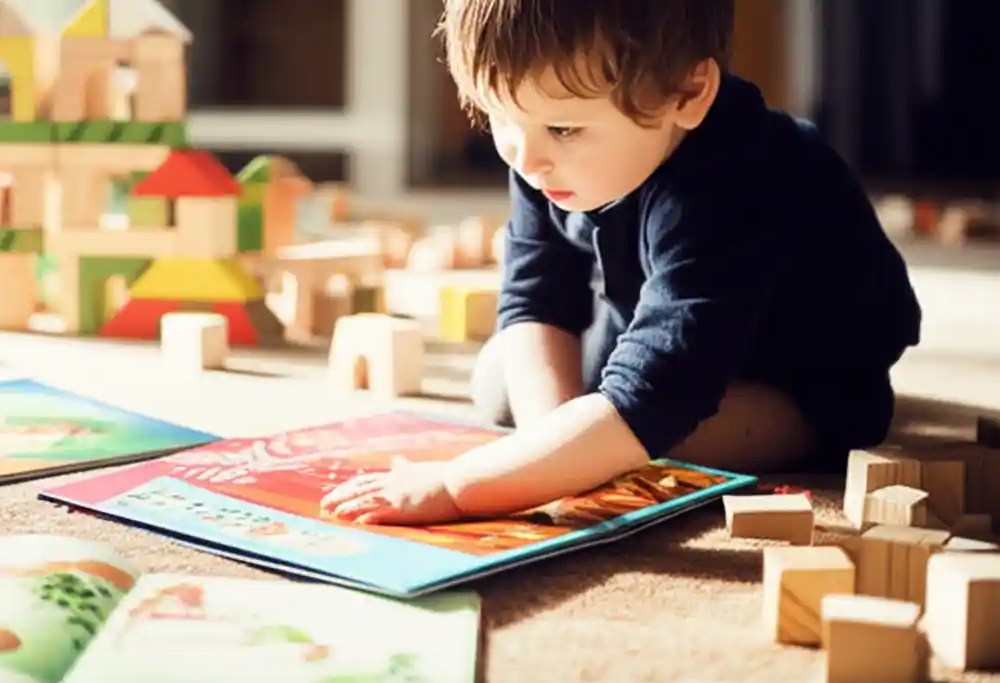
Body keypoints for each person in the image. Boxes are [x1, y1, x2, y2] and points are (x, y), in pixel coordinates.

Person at [318, 0, 922, 526]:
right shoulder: (540, 149)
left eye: (562, 128)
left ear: (686, 94)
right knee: (504, 377)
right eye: (499, 116)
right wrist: (544, 449)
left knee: (631, 439)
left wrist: (459, 486)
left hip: (802, 375)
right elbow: (535, 299)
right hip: (657, 327)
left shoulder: (729, 189)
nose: (524, 157)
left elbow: (653, 397)